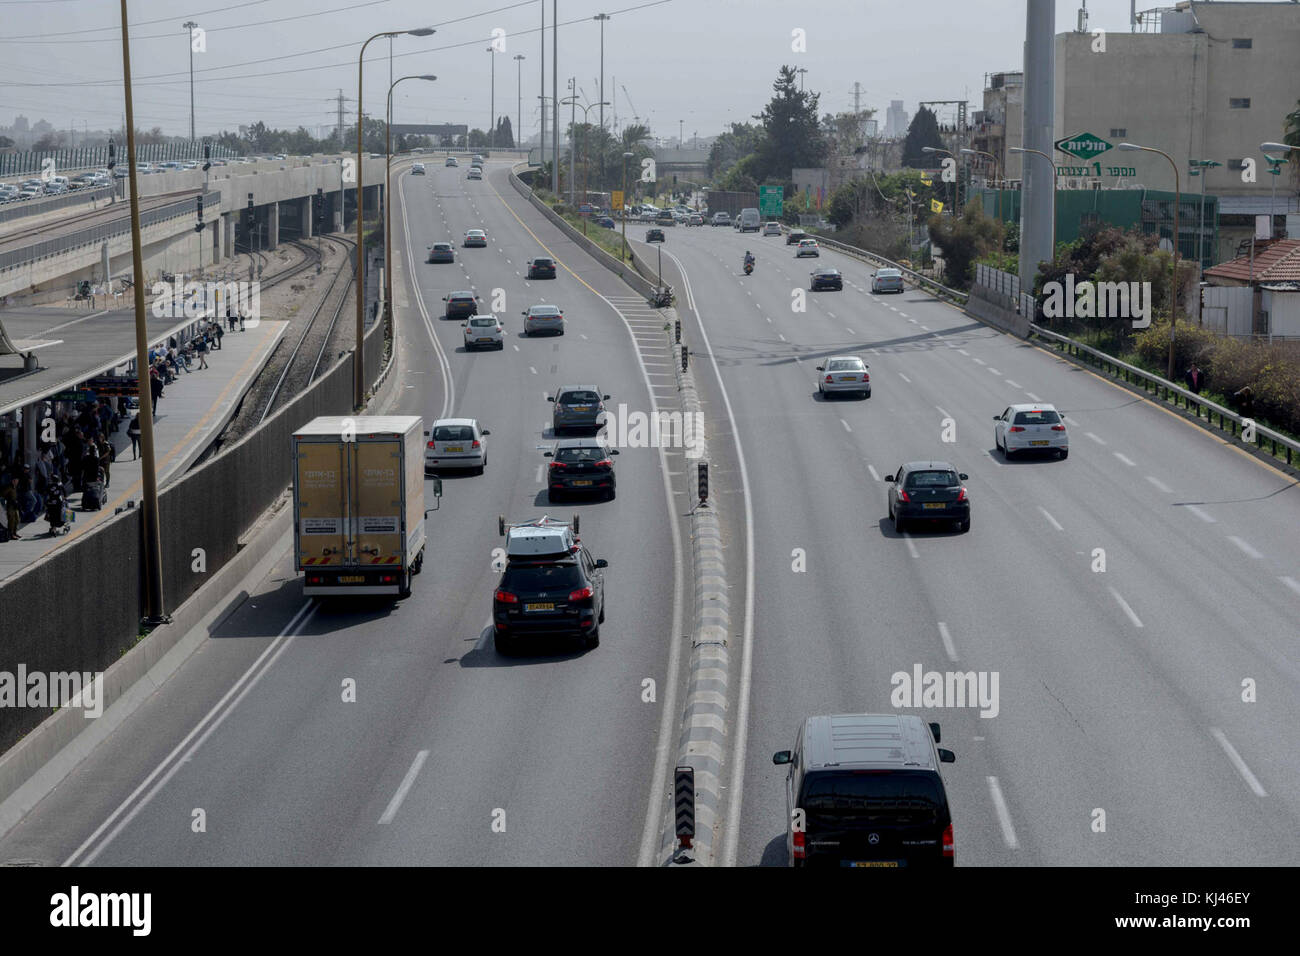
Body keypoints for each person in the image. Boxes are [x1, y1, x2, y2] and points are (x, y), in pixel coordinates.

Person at [3, 474, 21, 540]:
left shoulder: (15, 487)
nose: (17, 482)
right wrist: (8, 499)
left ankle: (14, 532)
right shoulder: (9, 487)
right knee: (11, 521)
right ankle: (11, 534)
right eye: (16, 481)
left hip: (15, 506)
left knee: (17, 519)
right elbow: (3, 494)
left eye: (18, 481)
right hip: (10, 506)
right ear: (13, 481)